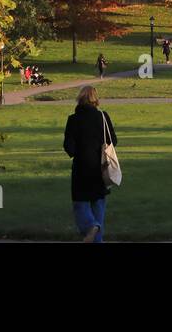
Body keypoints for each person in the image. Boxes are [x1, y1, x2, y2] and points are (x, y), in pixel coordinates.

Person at [62, 86, 117, 243]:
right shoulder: (103, 117)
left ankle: (90, 225)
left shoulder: (73, 119)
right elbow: (113, 141)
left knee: (80, 205)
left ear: (80, 99)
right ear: (95, 99)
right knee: (98, 206)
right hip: (100, 168)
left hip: (81, 168)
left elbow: (69, 147)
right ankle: (97, 236)